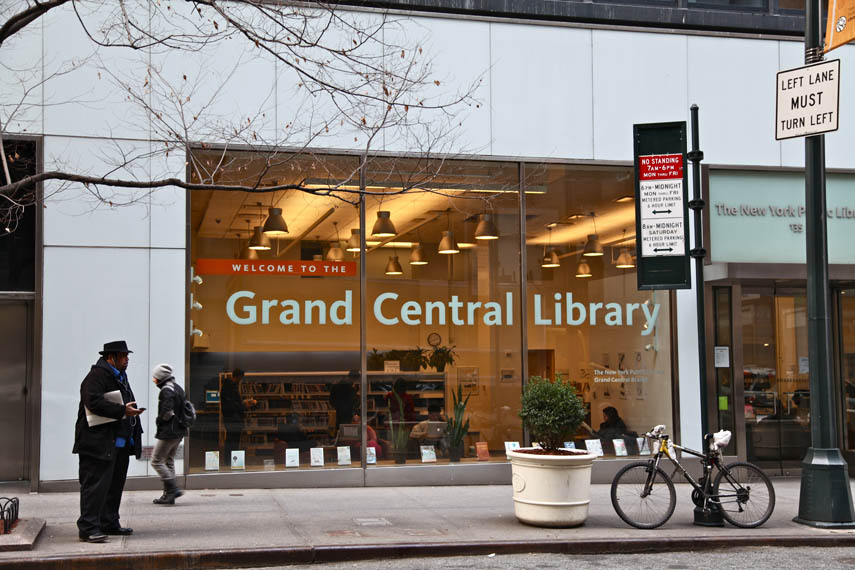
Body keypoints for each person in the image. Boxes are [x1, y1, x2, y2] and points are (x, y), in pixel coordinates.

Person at [73, 340, 144, 543]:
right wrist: (123, 411)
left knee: (114, 486)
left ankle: (109, 522)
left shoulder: (119, 376)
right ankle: (88, 527)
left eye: (127, 356)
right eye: (123, 356)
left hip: (118, 444)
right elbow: (93, 402)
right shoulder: (96, 376)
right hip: (98, 445)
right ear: (110, 357)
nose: (127, 359)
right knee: (95, 486)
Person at [150, 363, 187, 505]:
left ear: (160, 378)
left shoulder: (167, 390)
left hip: (169, 431)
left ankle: (173, 489)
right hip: (179, 430)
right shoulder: (177, 387)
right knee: (168, 461)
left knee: (156, 460)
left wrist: (158, 420)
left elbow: (166, 412)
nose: (154, 380)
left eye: (155, 377)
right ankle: (168, 496)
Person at [220, 368, 255, 462]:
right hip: (233, 418)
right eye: (241, 377)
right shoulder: (230, 386)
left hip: (230, 418)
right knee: (233, 440)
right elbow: (232, 404)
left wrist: (242, 403)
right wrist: (244, 405)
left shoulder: (228, 386)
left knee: (231, 440)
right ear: (239, 376)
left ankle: (230, 460)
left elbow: (231, 402)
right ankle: (231, 460)